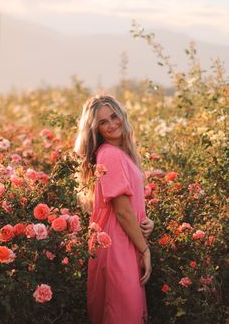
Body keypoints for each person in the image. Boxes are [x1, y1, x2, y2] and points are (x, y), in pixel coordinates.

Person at [75, 95, 154, 324]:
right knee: (123, 314)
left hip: (125, 239)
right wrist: (145, 250)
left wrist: (147, 221)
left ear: (121, 115)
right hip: (118, 245)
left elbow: (131, 206)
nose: (111, 124)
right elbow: (121, 210)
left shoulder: (120, 154)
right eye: (103, 122)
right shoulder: (109, 154)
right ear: (95, 129)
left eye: (113, 116)